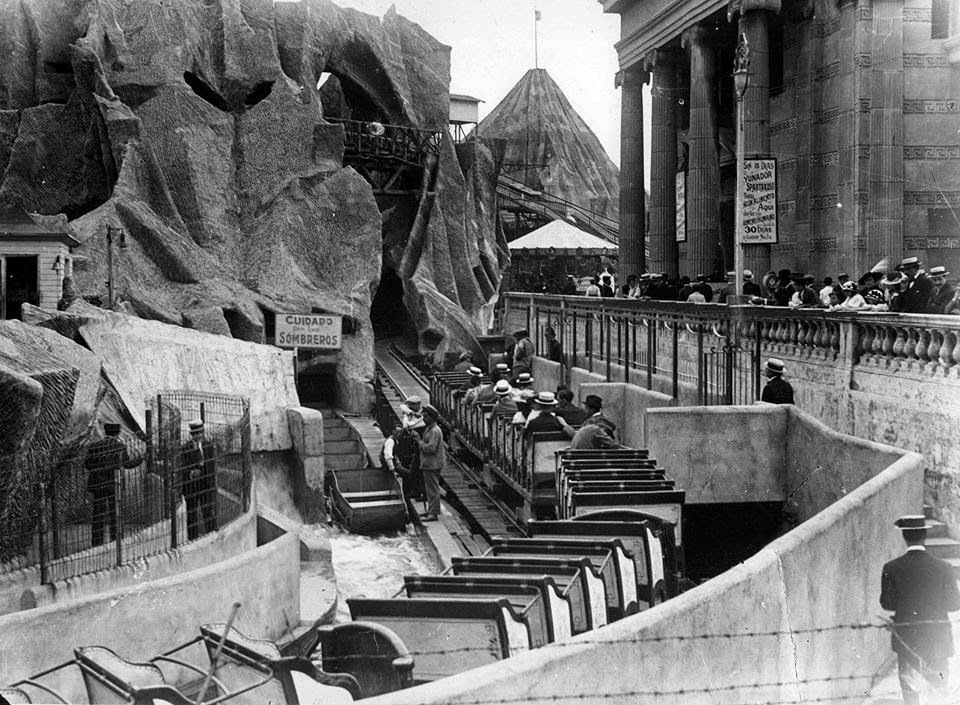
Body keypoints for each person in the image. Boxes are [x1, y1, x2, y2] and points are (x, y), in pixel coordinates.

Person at [880, 515, 960, 705]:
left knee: (911, 692)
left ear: (904, 537)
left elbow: (887, 603)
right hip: (937, 638)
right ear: (924, 535)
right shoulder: (944, 567)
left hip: (908, 638)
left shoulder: (891, 568)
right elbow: (954, 604)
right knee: (939, 691)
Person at [84, 422, 141, 547]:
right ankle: (115, 539)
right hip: (113, 484)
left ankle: (97, 542)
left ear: (106, 432)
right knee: (115, 511)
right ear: (118, 433)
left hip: (98, 484)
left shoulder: (94, 446)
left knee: (98, 513)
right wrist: (141, 459)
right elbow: (127, 464)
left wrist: (98, 469)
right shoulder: (119, 446)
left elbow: (87, 464)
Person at [180, 421, 217, 540]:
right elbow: (181, 467)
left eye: (199, 433)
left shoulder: (209, 446)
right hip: (191, 487)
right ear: (192, 435)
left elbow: (212, 466)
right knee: (192, 515)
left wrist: (212, 484)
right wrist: (191, 473)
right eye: (195, 434)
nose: (198, 436)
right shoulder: (185, 448)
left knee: (207, 512)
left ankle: (211, 536)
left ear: (203, 433)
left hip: (205, 486)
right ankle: (193, 539)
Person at [415, 405, 445, 522]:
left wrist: (419, 441)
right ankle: (431, 509)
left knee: (433, 489)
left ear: (432, 417)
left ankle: (434, 513)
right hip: (427, 463)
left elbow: (431, 448)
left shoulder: (435, 431)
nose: (424, 419)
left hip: (432, 464)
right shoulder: (428, 428)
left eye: (426, 417)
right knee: (429, 488)